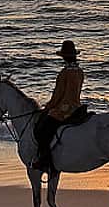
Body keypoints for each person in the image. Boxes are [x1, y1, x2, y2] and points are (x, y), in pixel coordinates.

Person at [32, 40, 85, 172]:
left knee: (42, 131)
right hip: (77, 107)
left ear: (64, 57)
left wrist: (47, 108)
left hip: (64, 110)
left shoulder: (64, 73)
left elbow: (58, 95)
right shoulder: (79, 71)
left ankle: (45, 159)